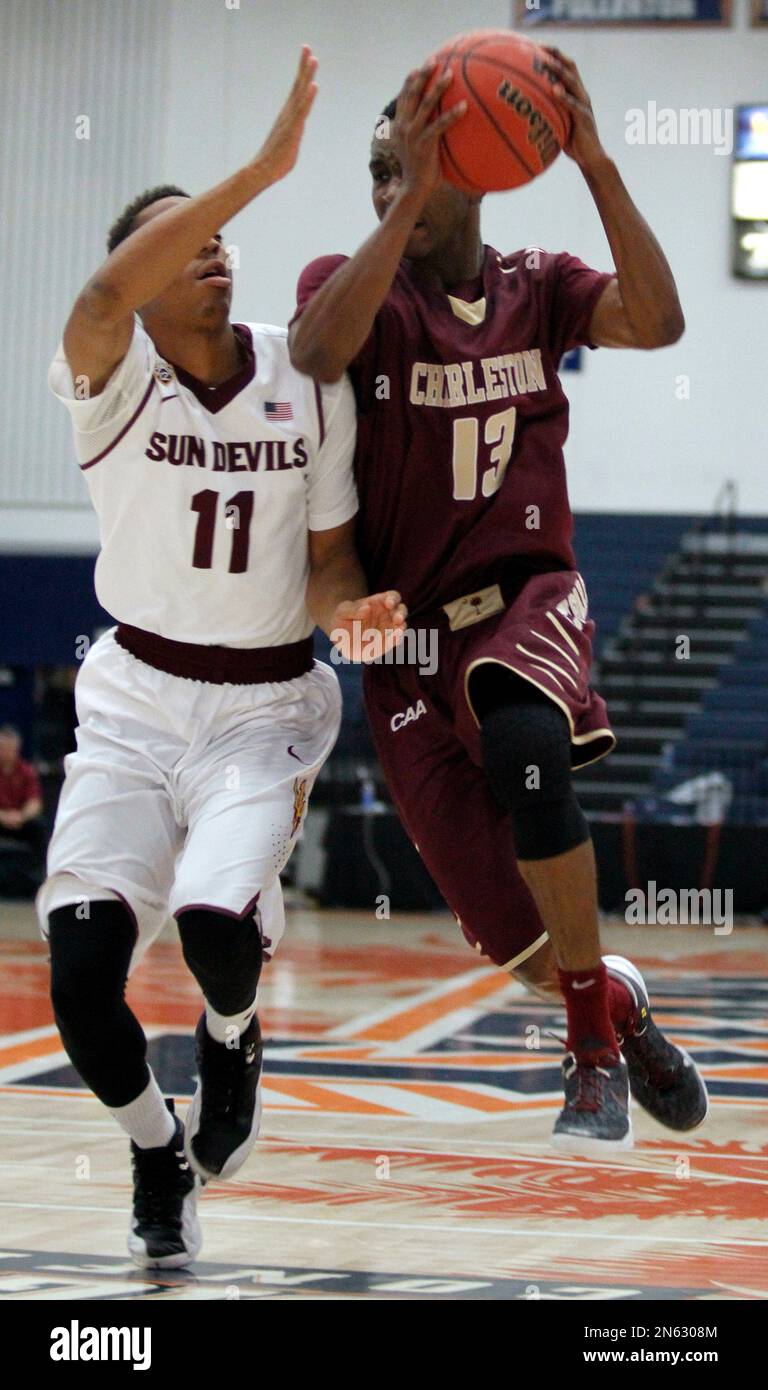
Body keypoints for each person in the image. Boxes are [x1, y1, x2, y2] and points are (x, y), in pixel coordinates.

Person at [288, 51, 708, 1152]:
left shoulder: (539, 284)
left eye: (416, 167)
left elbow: (660, 323)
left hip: (527, 594)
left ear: (481, 169)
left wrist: (599, 166)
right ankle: (614, 1007)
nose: (393, 189)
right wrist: (412, 199)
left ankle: (592, 1058)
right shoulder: (354, 288)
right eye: (380, 172)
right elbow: (311, 347)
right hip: (409, 646)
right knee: (528, 949)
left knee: (526, 736)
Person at [39, 48, 405, 1270]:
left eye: (216, 229)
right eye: (175, 237)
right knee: (83, 970)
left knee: (209, 925)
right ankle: (154, 1148)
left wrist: (352, 612)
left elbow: (332, 563)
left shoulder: (305, 379)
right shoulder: (111, 378)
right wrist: (261, 168)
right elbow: (97, 299)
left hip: (261, 708)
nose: (211, 245)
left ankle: (235, 1033)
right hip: (135, 703)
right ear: (139, 282)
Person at [0, 725, 46, 877]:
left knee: (39, 828)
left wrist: (22, 816)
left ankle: (37, 876)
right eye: (3, 749)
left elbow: (35, 802)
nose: (6, 753)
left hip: (19, 821)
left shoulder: (26, 771)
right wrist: (3, 816)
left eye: (10, 749)